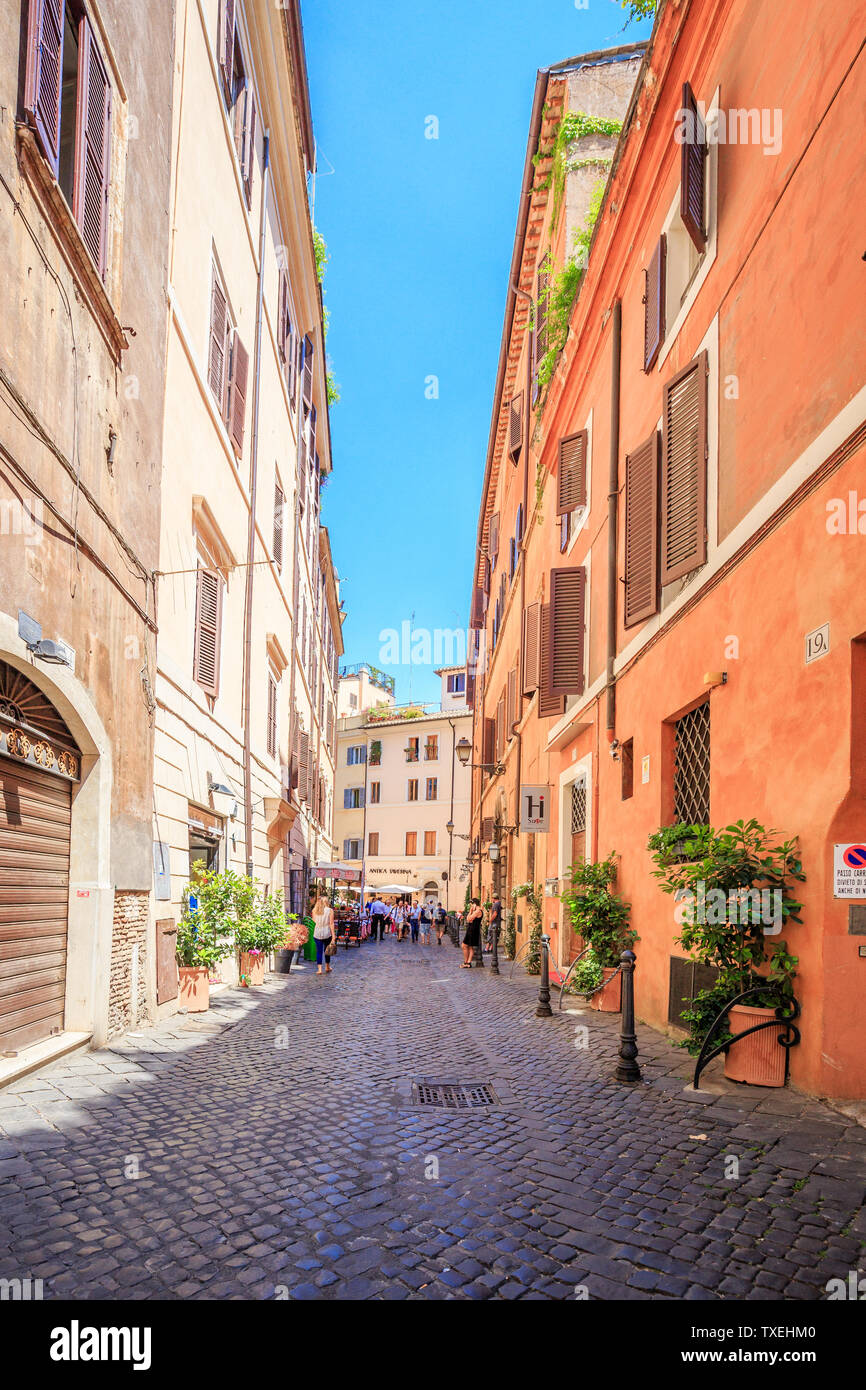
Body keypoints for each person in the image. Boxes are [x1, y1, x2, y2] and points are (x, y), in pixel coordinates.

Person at [312, 891, 336, 975]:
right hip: (327, 933)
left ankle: (319, 969)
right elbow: (331, 923)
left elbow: (314, 921)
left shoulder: (314, 910)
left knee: (319, 951)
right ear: (326, 902)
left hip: (317, 932)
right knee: (327, 950)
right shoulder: (330, 910)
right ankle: (327, 967)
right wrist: (333, 935)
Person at [462, 898, 484, 968]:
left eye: (471, 905)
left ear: (474, 904)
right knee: (470, 947)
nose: (471, 906)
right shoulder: (475, 911)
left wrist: (470, 912)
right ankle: (468, 963)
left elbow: (469, 919)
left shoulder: (478, 911)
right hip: (471, 929)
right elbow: (468, 919)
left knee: (464, 945)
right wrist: (470, 912)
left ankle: (467, 962)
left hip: (473, 930)